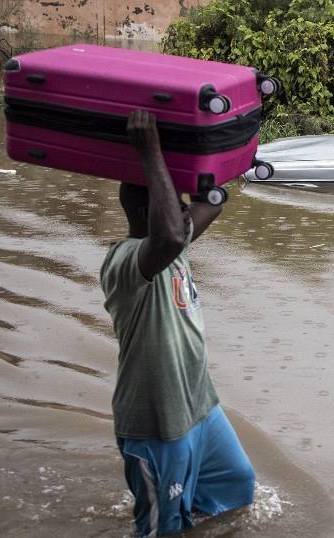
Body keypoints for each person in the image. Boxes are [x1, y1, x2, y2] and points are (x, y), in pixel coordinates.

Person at [100, 110, 255, 536]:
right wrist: (149, 151)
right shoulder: (126, 262)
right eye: (176, 206)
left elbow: (212, 201)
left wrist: (229, 150)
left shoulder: (173, 244)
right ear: (152, 213)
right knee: (159, 529)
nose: (186, 215)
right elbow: (168, 235)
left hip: (200, 409)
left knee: (237, 487)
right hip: (157, 425)